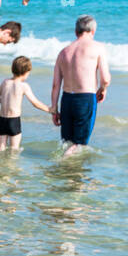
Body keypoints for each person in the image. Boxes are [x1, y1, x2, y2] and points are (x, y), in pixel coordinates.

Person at [50, 14, 111, 155]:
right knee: (80, 144)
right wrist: (103, 89)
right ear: (93, 31)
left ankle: (66, 172)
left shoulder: (64, 52)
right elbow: (106, 78)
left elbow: (55, 85)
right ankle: (68, 166)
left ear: (75, 31)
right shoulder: (97, 48)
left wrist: (54, 109)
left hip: (66, 100)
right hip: (85, 99)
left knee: (67, 142)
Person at [0, 56, 51, 151]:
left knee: (0, 149)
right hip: (14, 121)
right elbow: (35, 103)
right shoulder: (24, 86)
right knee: (14, 150)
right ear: (25, 72)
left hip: (2, 120)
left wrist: (6, 101)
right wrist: (49, 109)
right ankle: (11, 166)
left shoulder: (5, 82)